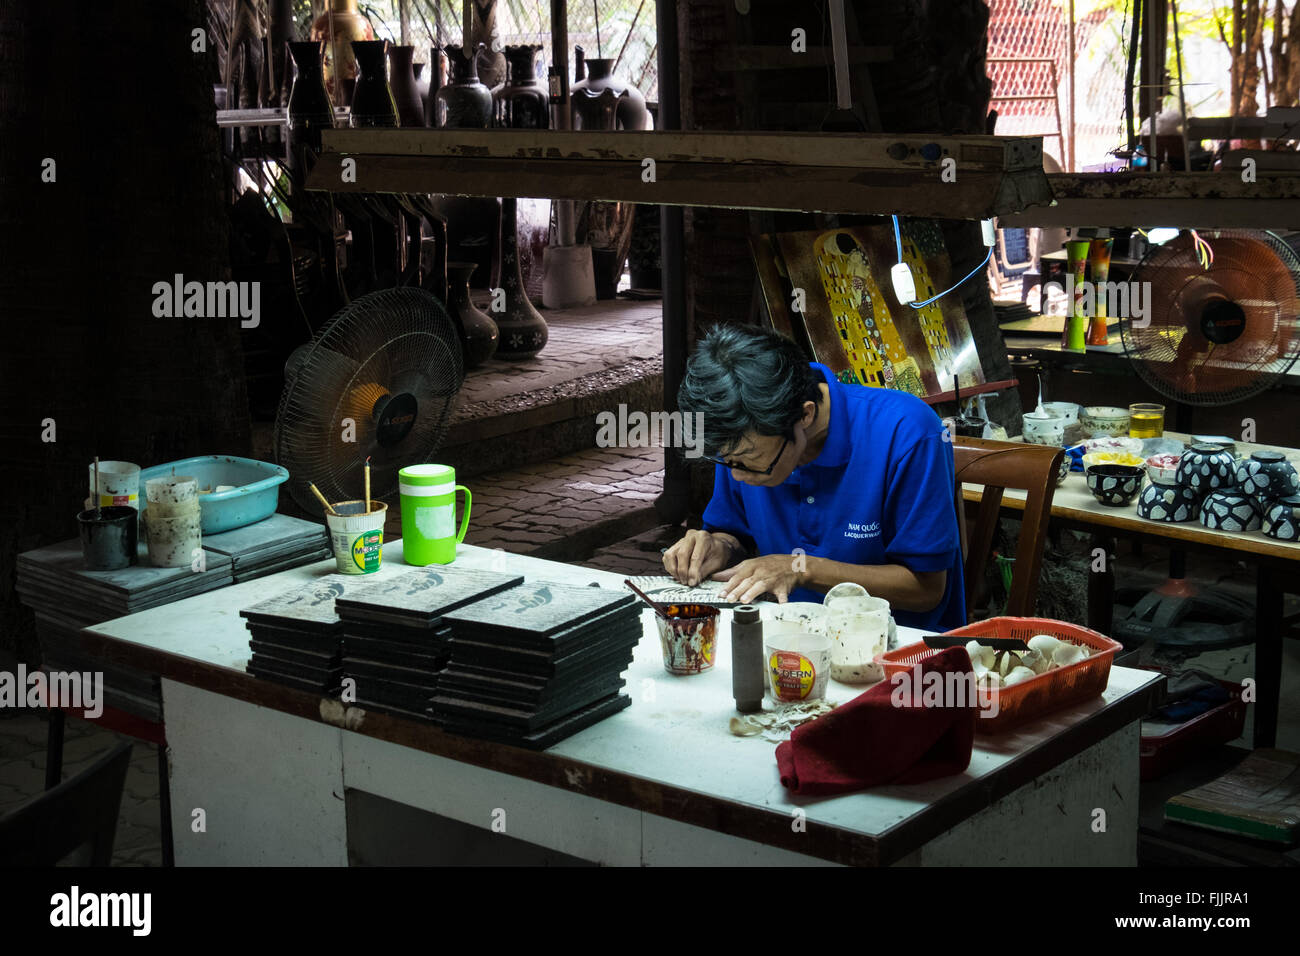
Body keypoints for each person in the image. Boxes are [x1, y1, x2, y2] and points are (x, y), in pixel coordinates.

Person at [663, 324, 966, 632]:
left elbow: (927, 589)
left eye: (747, 461)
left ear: (805, 415)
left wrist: (802, 568)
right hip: (787, 634)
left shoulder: (908, 433)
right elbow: (734, 533)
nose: (737, 474)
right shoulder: (741, 434)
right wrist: (716, 547)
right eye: (727, 461)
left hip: (895, 649)